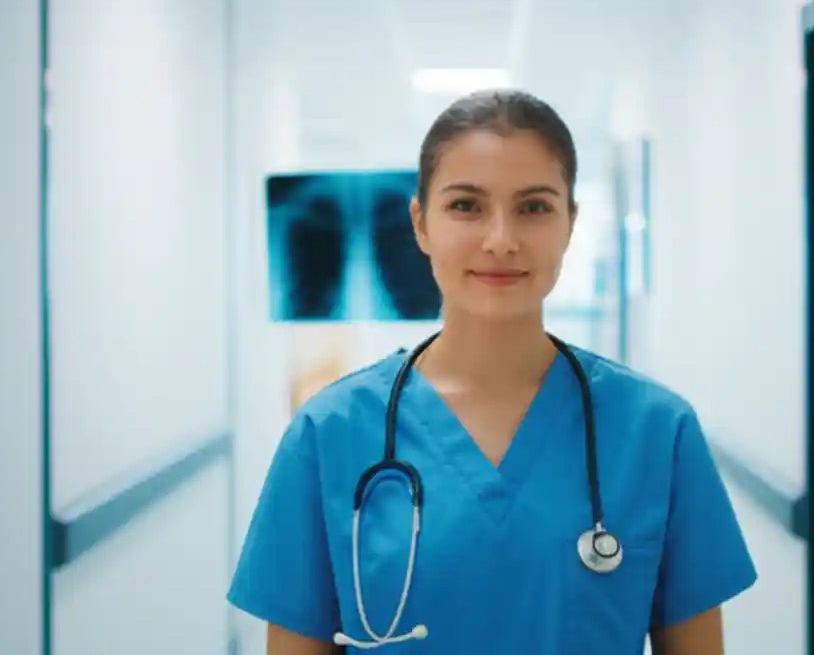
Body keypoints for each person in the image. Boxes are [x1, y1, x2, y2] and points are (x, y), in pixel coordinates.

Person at [227, 89, 757, 654]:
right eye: (466, 206)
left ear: (569, 225)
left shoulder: (656, 431)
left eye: (534, 207)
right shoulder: (328, 434)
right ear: (421, 224)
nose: (500, 240)